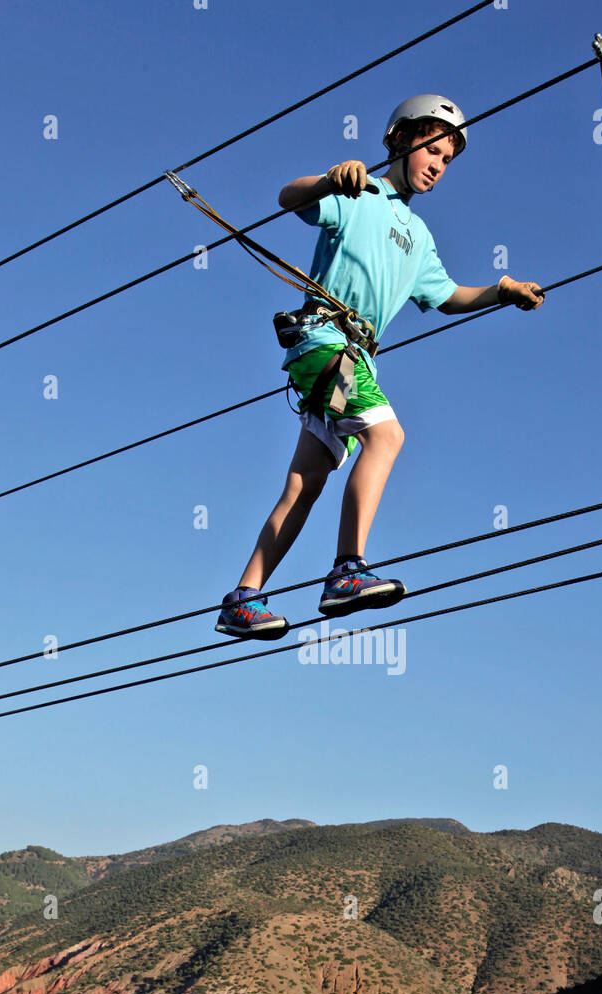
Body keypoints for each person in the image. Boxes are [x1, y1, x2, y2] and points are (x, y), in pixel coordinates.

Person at [215, 94, 545, 639]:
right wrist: (329, 180)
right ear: (398, 140)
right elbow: (287, 197)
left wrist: (500, 291)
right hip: (324, 341)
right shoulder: (359, 193)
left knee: (305, 483)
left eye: (447, 159)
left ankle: (242, 596)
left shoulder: (420, 238)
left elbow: (447, 295)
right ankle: (347, 569)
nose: (438, 165)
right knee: (388, 438)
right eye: (431, 149)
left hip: (350, 362)